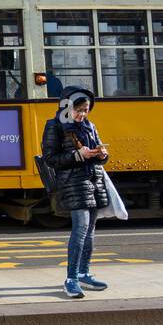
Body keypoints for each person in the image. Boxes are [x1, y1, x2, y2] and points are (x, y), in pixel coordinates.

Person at [41, 85, 111, 299]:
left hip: (93, 181)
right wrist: (77, 156)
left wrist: (102, 155)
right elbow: (50, 159)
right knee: (80, 230)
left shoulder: (90, 126)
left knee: (90, 232)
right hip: (73, 183)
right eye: (77, 110)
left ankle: (84, 273)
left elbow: (101, 156)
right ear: (66, 107)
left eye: (85, 110)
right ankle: (71, 279)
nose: (82, 114)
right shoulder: (54, 126)